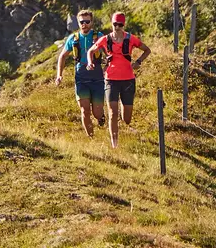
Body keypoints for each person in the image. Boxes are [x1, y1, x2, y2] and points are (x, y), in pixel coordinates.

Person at [89, 12, 151, 148]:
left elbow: (147, 50)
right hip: (111, 80)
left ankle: (125, 115)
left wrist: (138, 62)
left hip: (128, 80)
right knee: (112, 113)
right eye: (115, 24)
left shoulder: (131, 39)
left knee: (127, 118)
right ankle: (114, 144)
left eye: (120, 25)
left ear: (124, 25)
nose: (117, 27)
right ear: (111, 24)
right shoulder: (105, 39)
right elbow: (91, 51)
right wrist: (90, 62)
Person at [55, 10, 106, 137]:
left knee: (97, 113)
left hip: (97, 77)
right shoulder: (73, 38)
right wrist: (59, 75)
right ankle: (91, 138)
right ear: (78, 23)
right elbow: (62, 56)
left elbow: (110, 53)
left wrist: (108, 67)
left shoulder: (99, 36)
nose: (84, 24)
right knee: (84, 111)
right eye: (81, 22)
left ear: (92, 22)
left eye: (87, 21)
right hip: (81, 77)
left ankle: (100, 116)